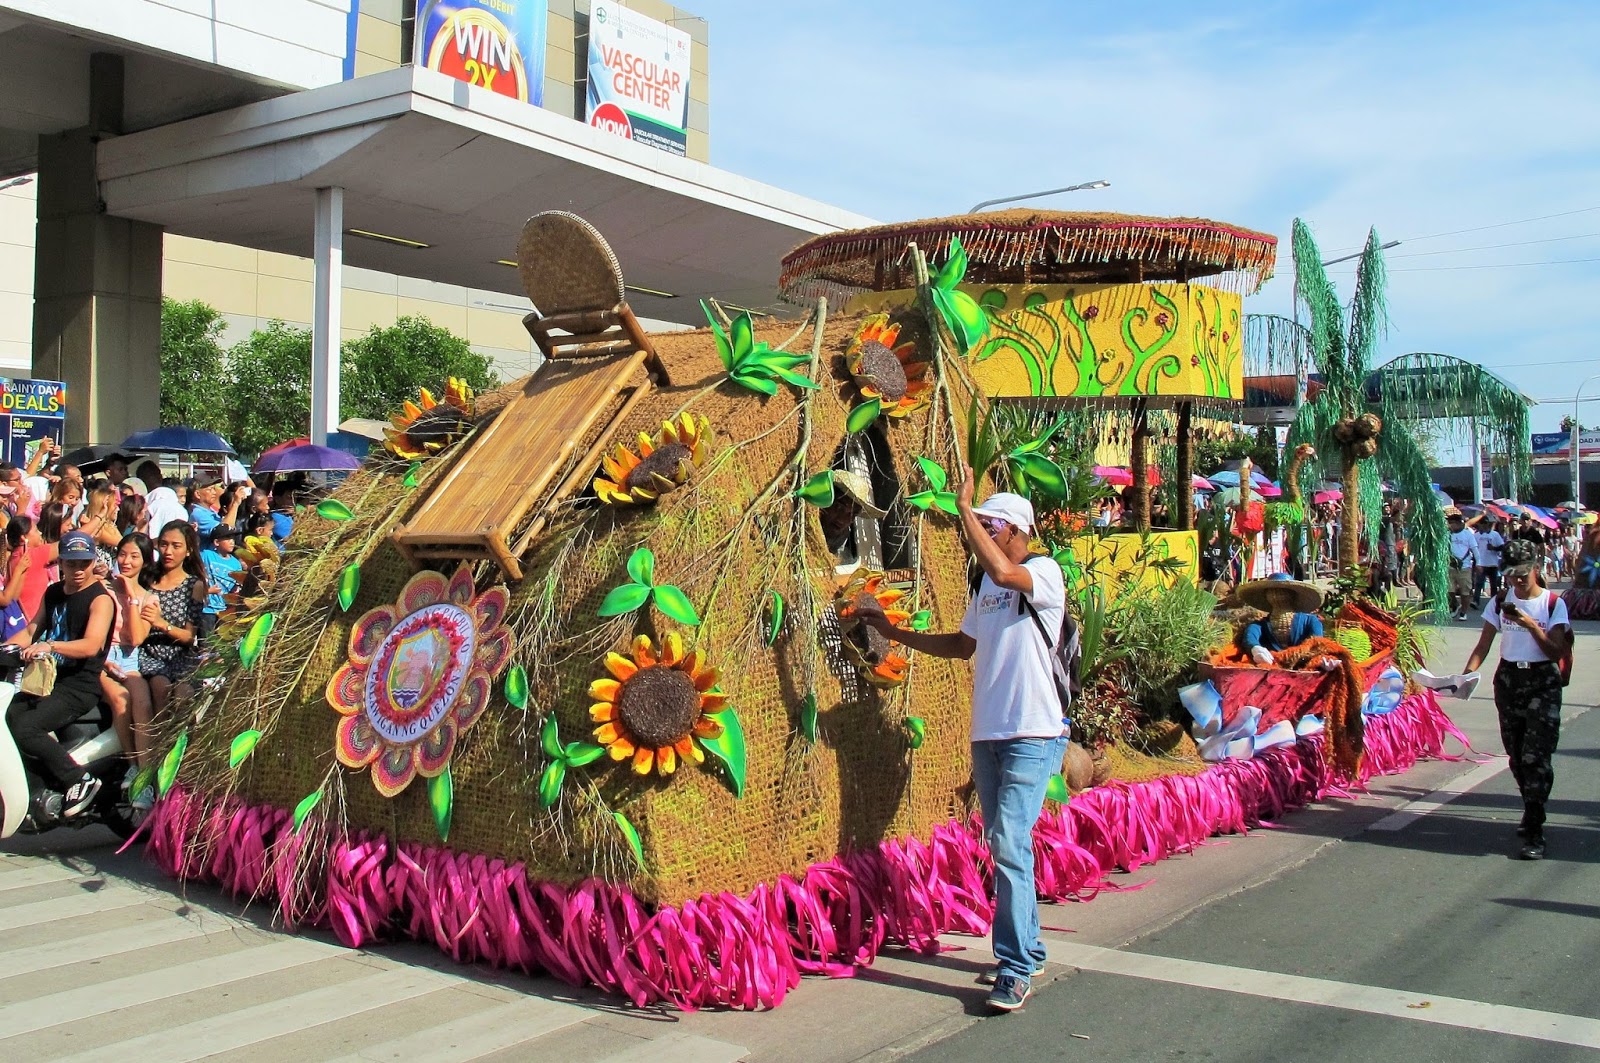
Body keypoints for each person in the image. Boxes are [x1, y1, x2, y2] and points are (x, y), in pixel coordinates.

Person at [854, 473, 1067, 1013]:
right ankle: (1031, 947)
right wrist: (892, 632)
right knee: (1006, 842)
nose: (986, 535)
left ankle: (1015, 967)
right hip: (989, 733)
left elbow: (1001, 566)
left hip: (1033, 731)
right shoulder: (987, 587)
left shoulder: (1042, 573)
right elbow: (960, 645)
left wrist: (965, 507)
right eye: (983, 525)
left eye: (993, 526)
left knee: (1007, 841)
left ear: (1017, 530)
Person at [1463, 538, 1572, 861]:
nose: (1518, 581)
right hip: (1510, 680)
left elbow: (1554, 652)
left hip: (1542, 682)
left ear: (1536, 569)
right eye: (1511, 575)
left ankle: (1536, 830)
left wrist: (1529, 624)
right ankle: (1530, 806)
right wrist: (1466, 674)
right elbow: (1483, 644)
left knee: (1535, 758)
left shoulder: (1552, 604)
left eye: (1523, 574)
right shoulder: (1499, 601)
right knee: (1515, 754)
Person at [3, 531, 115, 820]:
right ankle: (38, 786)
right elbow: (30, 631)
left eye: (84, 563)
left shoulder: (99, 599)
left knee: (26, 727)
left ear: (93, 562)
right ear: (61, 563)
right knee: (8, 718)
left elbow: (92, 644)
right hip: (48, 681)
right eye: (71, 563)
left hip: (79, 685)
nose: (78, 570)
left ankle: (78, 779)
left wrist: (49, 645)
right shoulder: (53, 593)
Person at [105, 532, 155, 806]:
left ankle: (144, 777)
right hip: (103, 657)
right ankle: (132, 765)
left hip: (129, 658)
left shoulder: (149, 599)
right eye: (122, 554)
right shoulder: (103, 590)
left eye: (135, 556)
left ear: (145, 562)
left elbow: (135, 638)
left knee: (143, 704)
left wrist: (131, 598)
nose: (126, 561)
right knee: (121, 701)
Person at [139, 520, 206, 717]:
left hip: (181, 656)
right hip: (150, 653)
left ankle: (184, 745)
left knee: (183, 696)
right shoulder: (147, 579)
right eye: (164, 544)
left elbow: (188, 636)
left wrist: (161, 624)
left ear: (188, 551)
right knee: (162, 688)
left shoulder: (194, 585)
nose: (168, 551)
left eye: (176, 546)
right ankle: (160, 745)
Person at [1236, 574, 1326, 663]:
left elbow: (1316, 641)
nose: (1276, 594)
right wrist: (1255, 648)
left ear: (1292, 595)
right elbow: (1250, 637)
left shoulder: (1310, 621)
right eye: (1271, 591)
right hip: (1270, 664)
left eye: (1283, 591)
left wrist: (1308, 655)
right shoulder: (1259, 625)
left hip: (1303, 664)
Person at [198, 524, 244, 643]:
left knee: (221, 645)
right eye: (227, 538)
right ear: (216, 542)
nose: (232, 542)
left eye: (233, 538)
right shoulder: (207, 555)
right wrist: (206, 590)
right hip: (207, 609)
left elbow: (235, 586)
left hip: (224, 611)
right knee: (206, 644)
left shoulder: (236, 564)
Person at [1447, 512, 1477, 620]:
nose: (1450, 525)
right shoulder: (1447, 534)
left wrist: (1479, 563)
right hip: (1450, 566)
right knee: (1449, 590)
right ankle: (1455, 605)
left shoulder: (1467, 534)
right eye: (1449, 523)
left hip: (1464, 566)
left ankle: (1464, 612)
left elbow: (1474, 549)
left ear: (1459, 523)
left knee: (1465, 591)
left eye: (1452, 523)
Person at [1473, 518, 1505, 607]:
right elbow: (1473, 548)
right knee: (1479, 583)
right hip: (1481, 563)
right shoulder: (1476, 536)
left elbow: (1502, 546)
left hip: (1492, 563)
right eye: (1481, 523)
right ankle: (1476, 601)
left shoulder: (1494, 534)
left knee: (1493, 584)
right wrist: (1475, 562)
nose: (1483, 525)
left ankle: (1494, 602)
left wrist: (1493, 548)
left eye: (1485, 523)